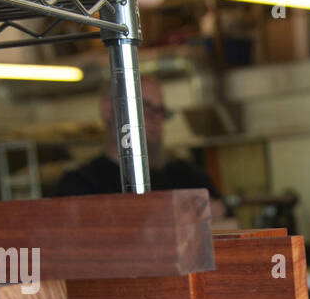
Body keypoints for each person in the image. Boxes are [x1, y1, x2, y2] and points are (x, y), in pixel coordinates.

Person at [54, 74, 227, 217]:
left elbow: (230, 225)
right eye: (144, 107)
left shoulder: (189, 178)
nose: (156, 119)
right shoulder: (80, 185)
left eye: (160, 111)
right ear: (108, 110)